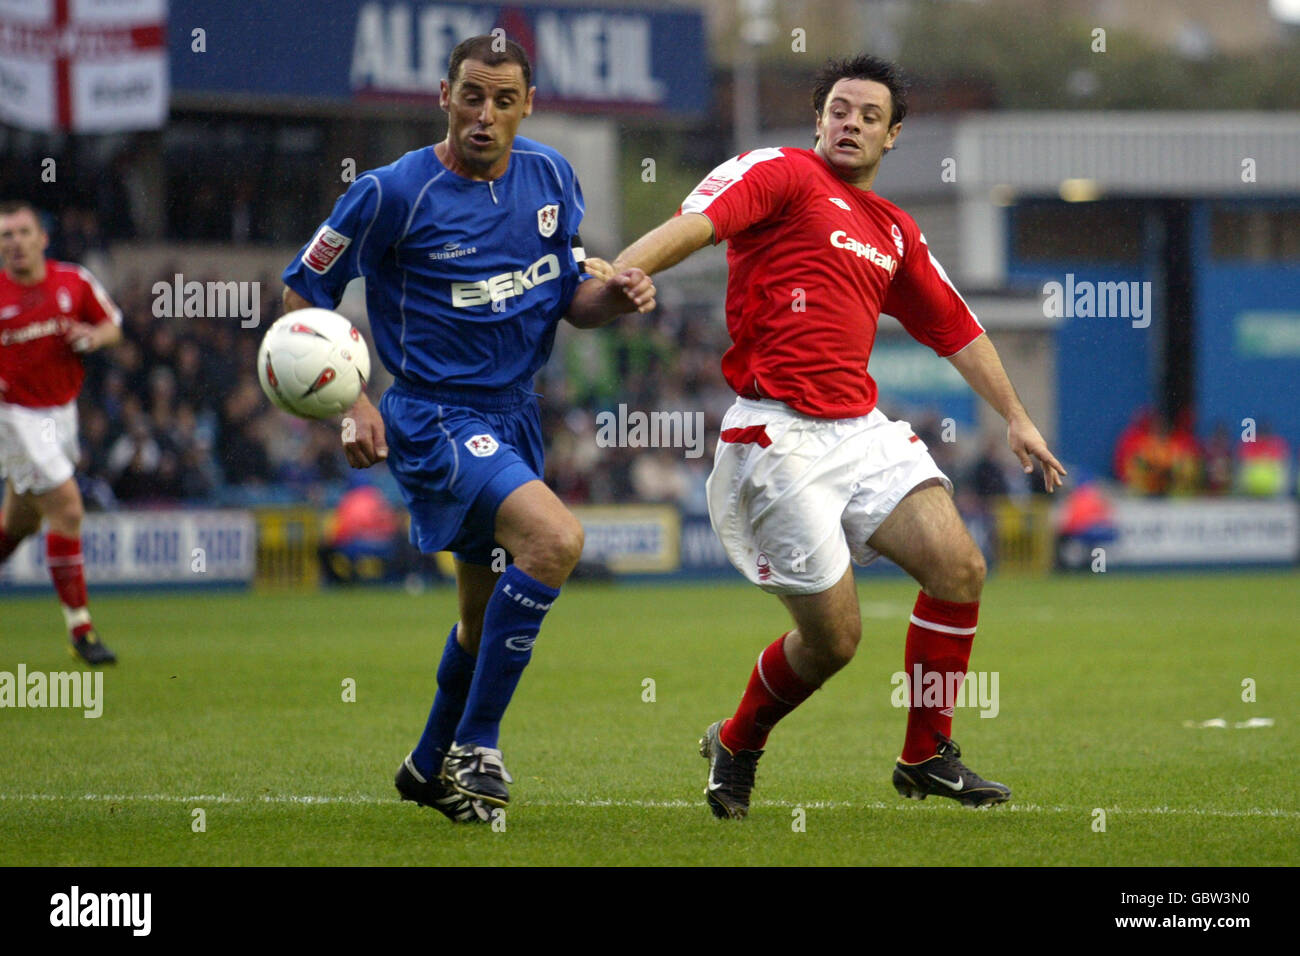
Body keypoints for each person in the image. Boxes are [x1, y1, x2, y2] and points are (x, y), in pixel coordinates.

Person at [609, 54, 1066, 817]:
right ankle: (737, 738)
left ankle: (926, 753)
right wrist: (628, 269)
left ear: (892, 137)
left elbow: (957, 328)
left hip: (859, 430)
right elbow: (698, 224)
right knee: (834, 644)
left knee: (959, 568)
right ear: (819, 119)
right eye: (838, 110)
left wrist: (1016, 416)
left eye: (868, 115)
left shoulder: (894, 230)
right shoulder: (782, 174)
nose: (850, 122)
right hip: (776, 436)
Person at [281, 36, 654, 823]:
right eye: (472, 97)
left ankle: (425, 766)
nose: (486, 116)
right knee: (555, 542)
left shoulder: (551, 177)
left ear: (526, 104)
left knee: (483, 622)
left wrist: (615, 297)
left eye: (504, 100)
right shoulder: (389, 193)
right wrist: (352, 400)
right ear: (443, 95)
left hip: (516, 414)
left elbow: (570, 302)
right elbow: (303, 296)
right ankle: (478, 745)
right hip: (432, 415)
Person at [0, 200, 123, 664]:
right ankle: (82, 632)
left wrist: (94, 338)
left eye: (21, 232)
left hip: (60, 416)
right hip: (12, 419)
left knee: (21, 522)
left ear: (41, 238)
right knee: (68, 509)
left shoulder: (73, 281)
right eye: (5, 235)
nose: (14, 242)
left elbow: (114, 324)